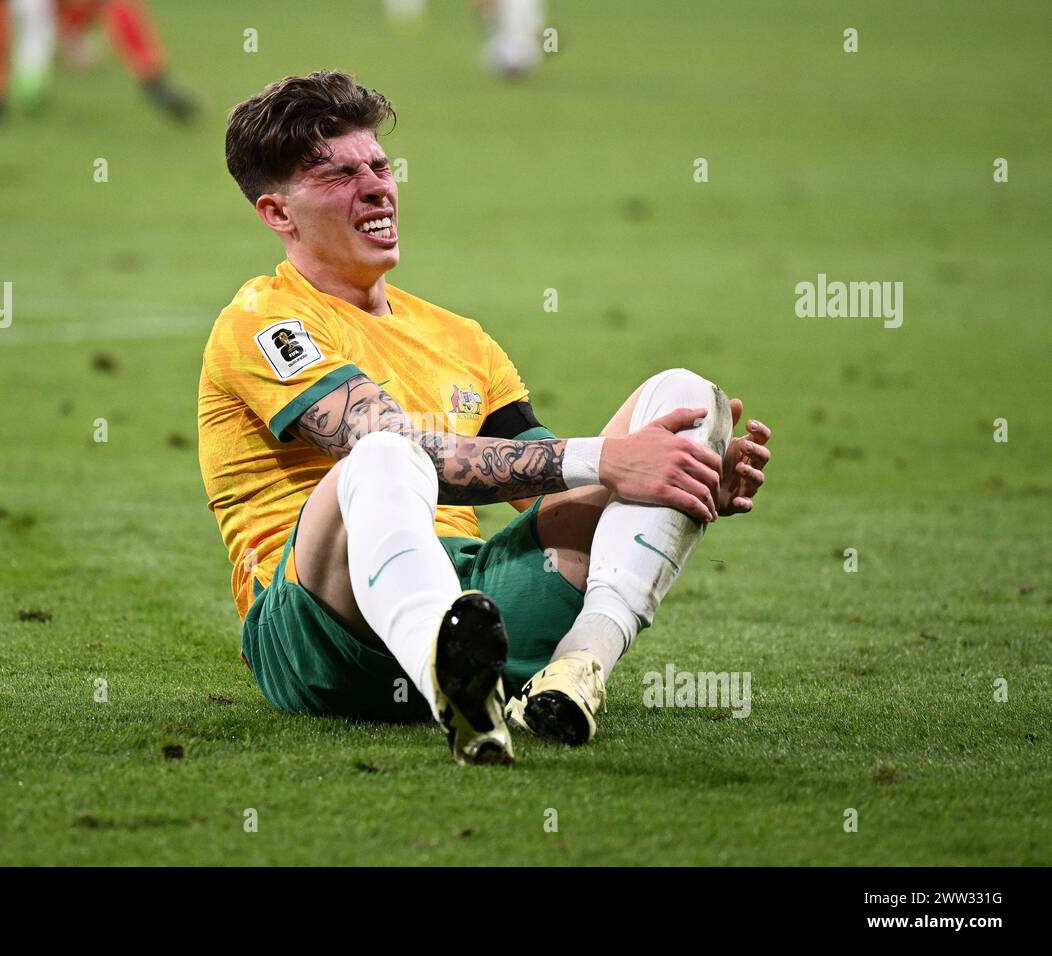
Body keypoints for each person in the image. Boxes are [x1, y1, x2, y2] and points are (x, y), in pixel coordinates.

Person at [197, 72, 773, 765]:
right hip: (320, 627)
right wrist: (609, 460)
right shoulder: (264, 321)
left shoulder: (460, 337)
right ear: (278, 214)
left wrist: (682, 471)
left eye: (379, 165)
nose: (376, 186)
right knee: (382, 454)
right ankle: (448, 679)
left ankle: (575, 669)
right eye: (339, 176)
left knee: (685, 398)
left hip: (476, 598)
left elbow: (541, 485)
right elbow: (404, 448)